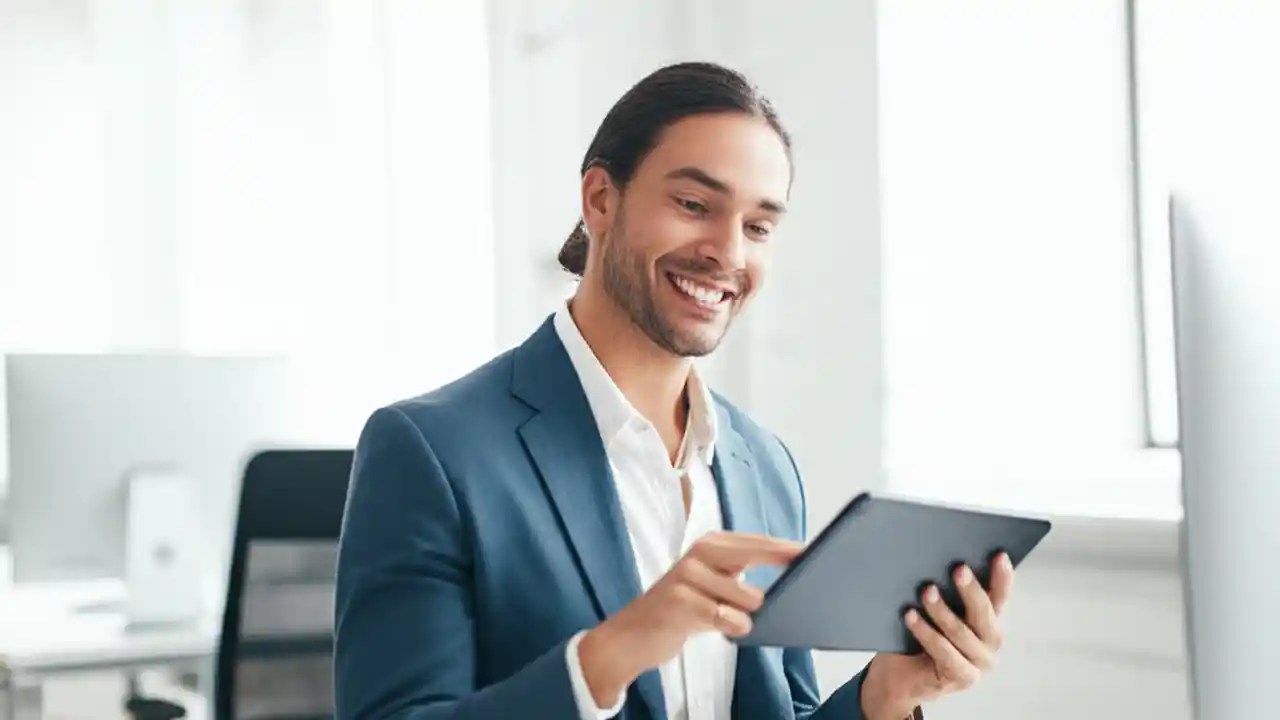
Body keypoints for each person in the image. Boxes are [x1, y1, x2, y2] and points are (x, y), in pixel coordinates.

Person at [334, 61, 1015, 720]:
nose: (729, 253)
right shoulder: (431, 451)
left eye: (757, 226)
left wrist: (883, 698)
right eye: (694, 205)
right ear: (600, 200)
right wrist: (612, 654)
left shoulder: (765, 466)